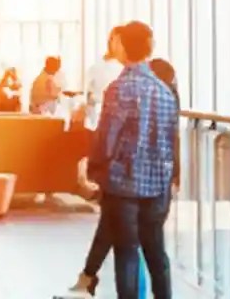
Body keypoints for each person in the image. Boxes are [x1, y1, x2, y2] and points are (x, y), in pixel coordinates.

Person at [69, 55, 183, 297]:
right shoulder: (167, 96)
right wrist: (174, 177)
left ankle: (88, 277)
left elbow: (109, 137)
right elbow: (172, 142)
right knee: (155, 251)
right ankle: (88, 276)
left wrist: (95, 170)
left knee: (125, 247)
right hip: (157, 185)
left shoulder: (123, 90)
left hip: (125, 181)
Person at [85, 27, 126, 125]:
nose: (116, 45)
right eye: (113, 40)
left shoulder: (127, 69)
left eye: (120, 41)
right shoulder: (96, 67)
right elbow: (88, 96)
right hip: (97, 118)